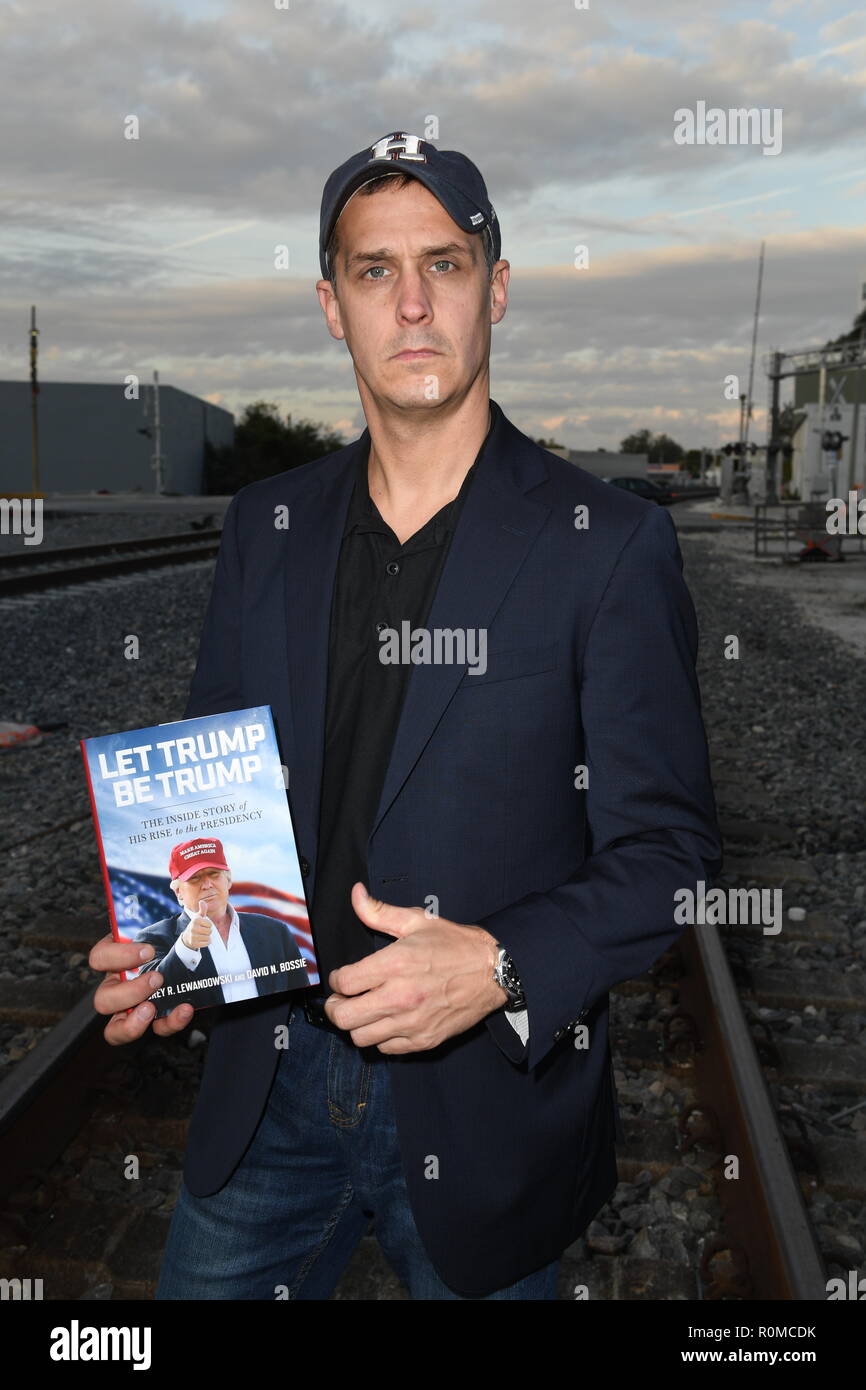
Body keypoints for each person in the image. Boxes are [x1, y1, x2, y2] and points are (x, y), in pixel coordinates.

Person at [89, 130, 722, 1300]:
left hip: (482, 1107)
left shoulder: (608, 546)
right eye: (376, 271)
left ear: (498, 287)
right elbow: (211, 793)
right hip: (267, 1089)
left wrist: (499, 964)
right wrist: (173, 950)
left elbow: (671, 857)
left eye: (446, 262)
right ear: (332, 306)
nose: (414, 302)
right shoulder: (264, 527)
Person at [134, 836, 310, 1011]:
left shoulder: (274, 931)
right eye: (194, 878)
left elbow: (303, 997)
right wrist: (186, 947)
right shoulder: (153, 937)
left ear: (229, 879)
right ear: (179, 891)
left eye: (214, 873)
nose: (207, 884)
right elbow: (150, 1000)